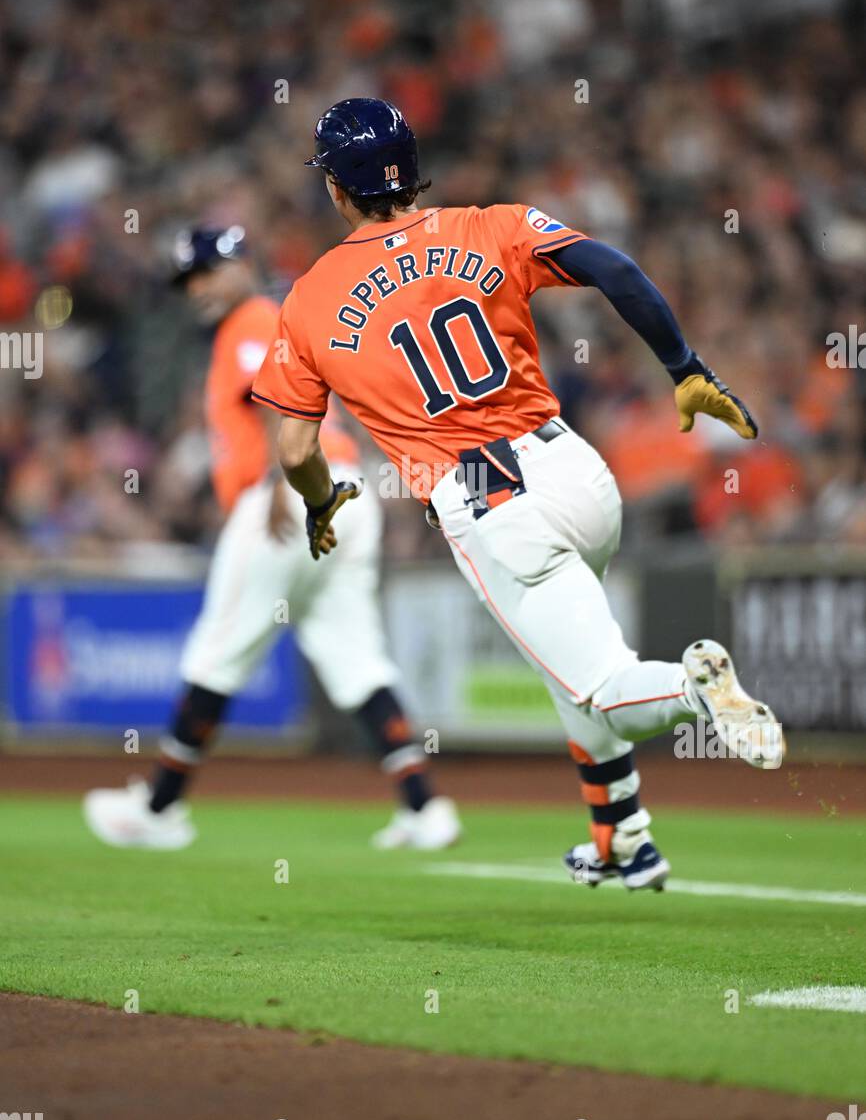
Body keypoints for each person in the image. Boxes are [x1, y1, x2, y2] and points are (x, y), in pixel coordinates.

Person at [250, 98, 784, 892]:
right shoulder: (489, 225)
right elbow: (615, 269)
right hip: (575, 470)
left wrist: (323, 502)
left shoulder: (309, 298)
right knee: (569, 668)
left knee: (604, 687)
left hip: (490, 503)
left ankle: (693, 691)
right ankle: (621, 838)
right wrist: (684, 368)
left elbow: (295, 449)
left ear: (335, 189)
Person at [83, 224, 460, 852]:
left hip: (292, 492)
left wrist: (284, 484)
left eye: (208, 271)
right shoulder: (269, 317)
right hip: (345, 490)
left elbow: (275, 401)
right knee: (356, 658)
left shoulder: (252, 318)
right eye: (188, 280)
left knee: (216, 651)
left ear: (243, 263)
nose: (198, 287)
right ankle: (426, 807)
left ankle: (159, 807)